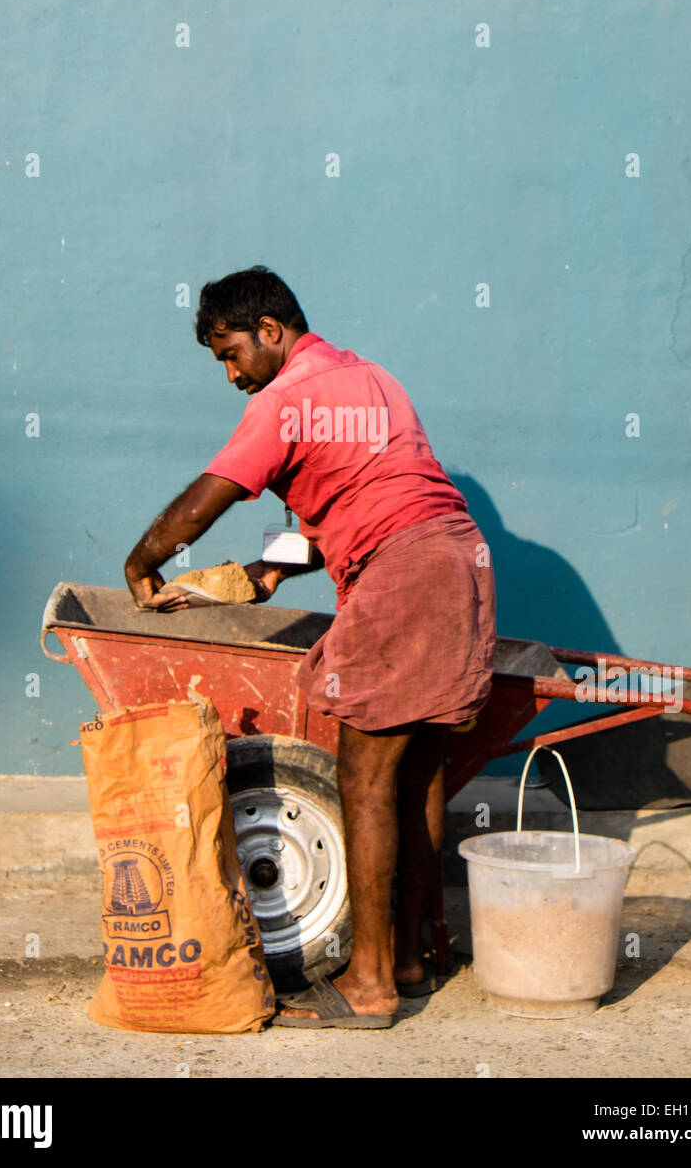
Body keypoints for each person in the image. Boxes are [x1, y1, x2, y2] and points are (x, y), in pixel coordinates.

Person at [124, 266, 496, 1029]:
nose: (231, 376)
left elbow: (212, 494)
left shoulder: (285, 396)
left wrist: (142, 560)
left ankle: (365, 987)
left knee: (362, 780)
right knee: (419, 769)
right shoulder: (372, 378)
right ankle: (409, 958)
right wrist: (267, 570)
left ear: (270, 331)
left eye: (231, 354)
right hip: (459, 560)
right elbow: (365, 495)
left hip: (401, 572)